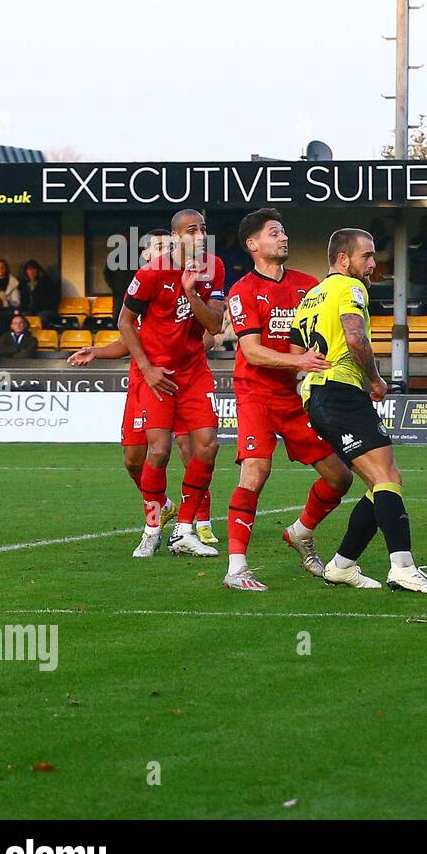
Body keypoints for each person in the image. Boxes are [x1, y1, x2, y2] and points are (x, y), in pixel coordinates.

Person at [289, 227, 427, 593]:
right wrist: (375, 380)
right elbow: (355, 336)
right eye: (367, 256)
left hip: (320, 392)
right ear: (343, 259)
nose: (374, 264)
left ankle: (343, 564)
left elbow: (297, 350)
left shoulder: (312, 294)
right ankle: (402, 567)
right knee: (387, 477)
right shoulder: (350, 288)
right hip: (340, 390)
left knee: (383, 480)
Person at [221, 208, 355, 592]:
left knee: (339, 477)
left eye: (284, 232)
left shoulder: (308, 284)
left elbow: (317, 336)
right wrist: (299, 360)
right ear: (253, 245)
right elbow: (252, 351)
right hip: (255, 395)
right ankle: (236, 568)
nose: (283, 238)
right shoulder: (242, 290)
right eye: (274, 233)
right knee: (255, 472)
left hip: (295, 398)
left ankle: (300, 532)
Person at [118, 208, 225, 559]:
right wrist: (147, 368)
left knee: (207, 446)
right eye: (191, 230)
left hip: (194, 372)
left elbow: (214, 326)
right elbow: (126, 321)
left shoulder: (214, 267)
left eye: (203, 229)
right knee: (158, 451)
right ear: (176, 236)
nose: (199, 235)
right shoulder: (151, 272)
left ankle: (184, 530)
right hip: (158, 375)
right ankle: (152, 529)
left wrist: (191, 294)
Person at [17, 261, 60, 325]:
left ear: (38, 270)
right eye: (29, 269)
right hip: (28, 310)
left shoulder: (47, 282)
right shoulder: (23, 284)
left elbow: (53, 300)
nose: (31, 271)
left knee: (41, 317)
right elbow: (23, 301)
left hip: (44, 310)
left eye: (33, 269)